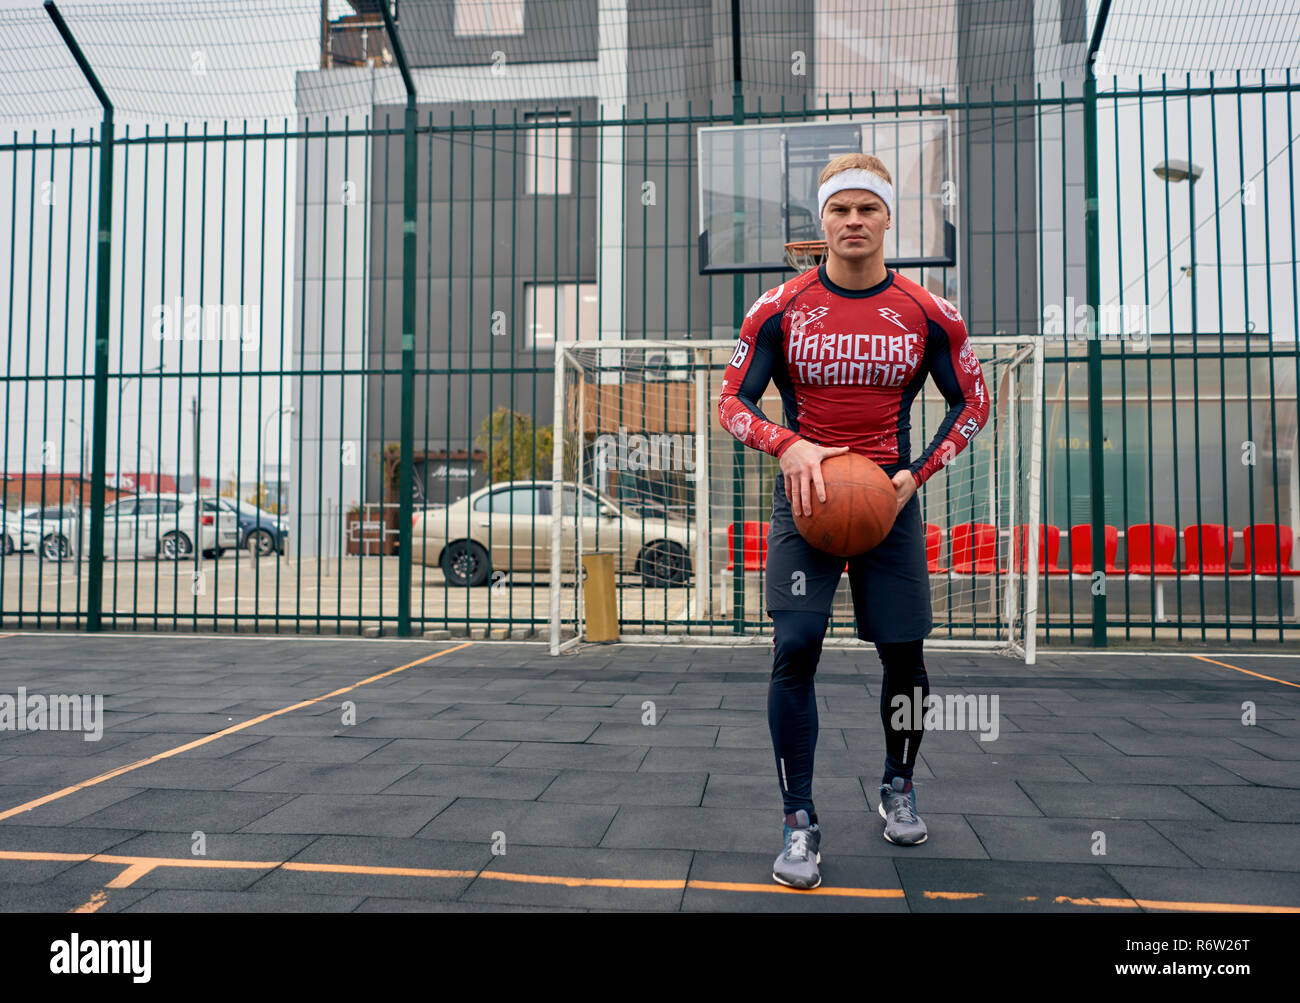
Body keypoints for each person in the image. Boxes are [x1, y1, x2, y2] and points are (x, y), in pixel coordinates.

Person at [717, 153, 989, 889]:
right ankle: (798, 818)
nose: (855, 221)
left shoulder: (931, 313)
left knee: (904, 656)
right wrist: (789, 442)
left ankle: (898, 783)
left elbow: (973, 403)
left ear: (887, 218)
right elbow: (731, 403)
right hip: (807, 500)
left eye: (868, 208)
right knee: (796, 645)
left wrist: (914, 475)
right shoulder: (778, 308)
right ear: (823, 221)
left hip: (887, 502)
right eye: (841, 209)